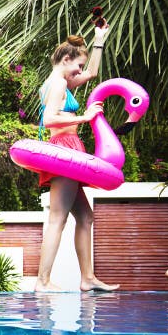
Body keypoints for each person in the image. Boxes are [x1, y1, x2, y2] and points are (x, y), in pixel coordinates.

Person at [34, 25, 117, 292]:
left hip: (69, 147)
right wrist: (85, 117)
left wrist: (99, 40)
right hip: (63, 148)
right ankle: (42, 281)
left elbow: (92, 73)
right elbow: (49, 120)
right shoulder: (58, 83)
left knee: (85, 217)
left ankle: (87, 278)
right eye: (77, 67)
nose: (79, 73)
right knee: (58, 217)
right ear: (66, 59)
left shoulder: (60, 81)